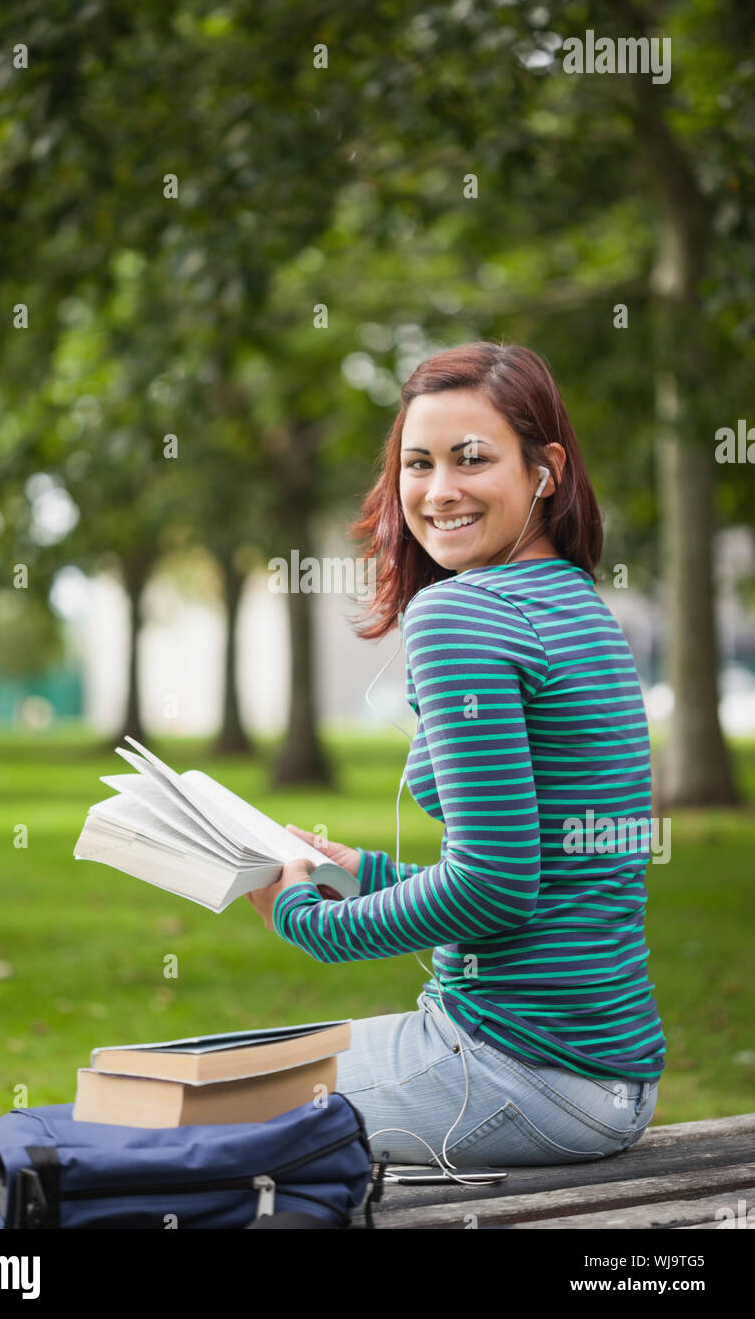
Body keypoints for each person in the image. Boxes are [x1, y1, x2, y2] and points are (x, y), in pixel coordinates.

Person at [246, 340, 665, 1169]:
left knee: (162, 1105)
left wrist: (313, 924)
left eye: (471, 459)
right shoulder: (581, 607)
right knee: (197, 1082)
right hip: (611, 1080)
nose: (439, 492)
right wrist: (362, 871)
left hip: (516, 1072)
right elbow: (542, 876)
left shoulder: (460, 615)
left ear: (544, 470)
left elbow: (494, 886)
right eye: (417, 463)